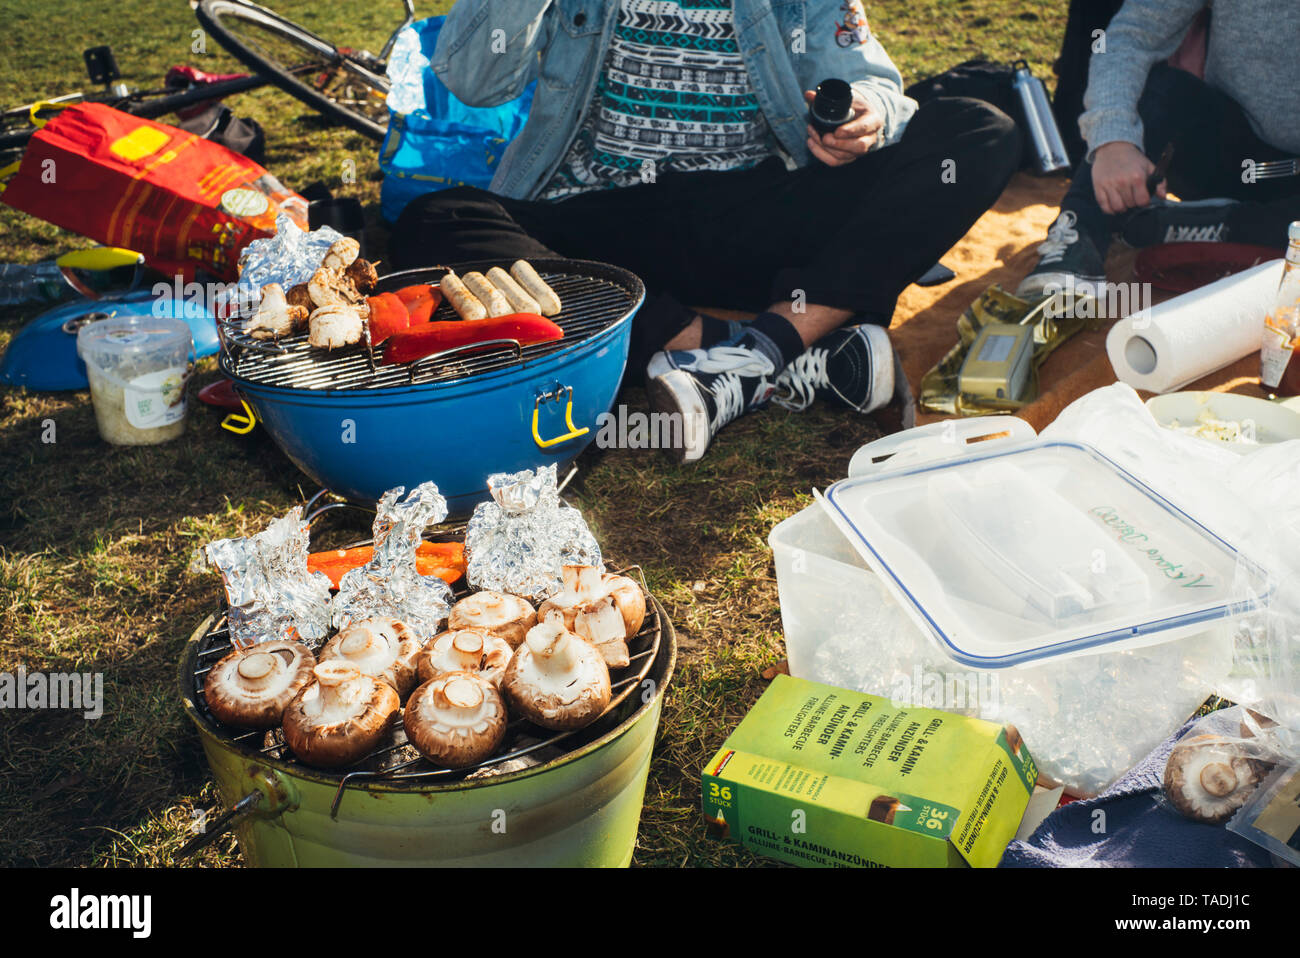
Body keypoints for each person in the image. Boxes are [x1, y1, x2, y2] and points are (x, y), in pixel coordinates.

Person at [392, 0, 1021, 462]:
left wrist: (867, 115)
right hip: (597, 219)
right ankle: (766, 353)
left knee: (980, 131)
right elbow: (470, 81)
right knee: (436, 222)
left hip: (745, 213)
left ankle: (742, 358)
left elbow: (874, 83)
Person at [1018, 0, 1300, 301]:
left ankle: (1209, 224)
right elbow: (1132, 35)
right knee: (1160, 91)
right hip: (1233, 147)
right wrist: (1114, 141)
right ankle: (1079, 234)